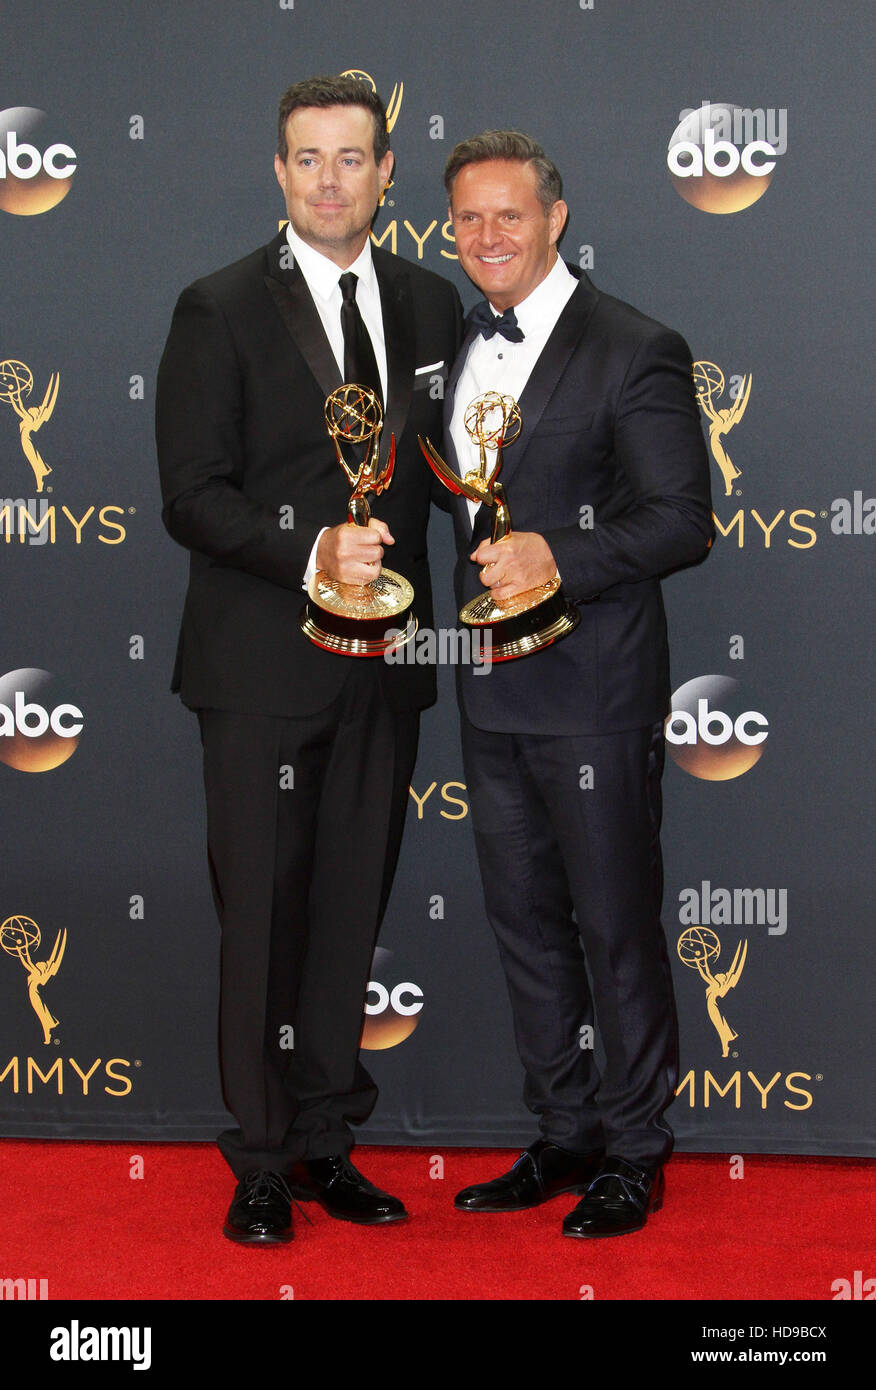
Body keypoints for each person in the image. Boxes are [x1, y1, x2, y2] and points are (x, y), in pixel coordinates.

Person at [156, 76, 462, 1244]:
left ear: (388, 174)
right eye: (308, 158)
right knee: (265, 919)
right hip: (259, 670)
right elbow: (191, 496)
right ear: (278, 174)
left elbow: (458, 463)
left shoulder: (432, 306)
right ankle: (263, 1161)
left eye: (353, 157)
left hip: (384, 665)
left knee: (348, 912)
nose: (331, 178)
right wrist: (310, 550)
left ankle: (331, 1140)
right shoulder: (218, 306)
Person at [440, 131, 712, 1236]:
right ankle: (562, 1133)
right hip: (489, 687)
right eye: (468, 219)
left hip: (595, 690)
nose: (489, 237)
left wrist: (562, 553)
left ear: (557, 218)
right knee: (526, 927)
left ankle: (636, 1149)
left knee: (615, 927)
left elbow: (683, 521)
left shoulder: (634, 345)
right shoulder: (451, 344)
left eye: (510, 215)